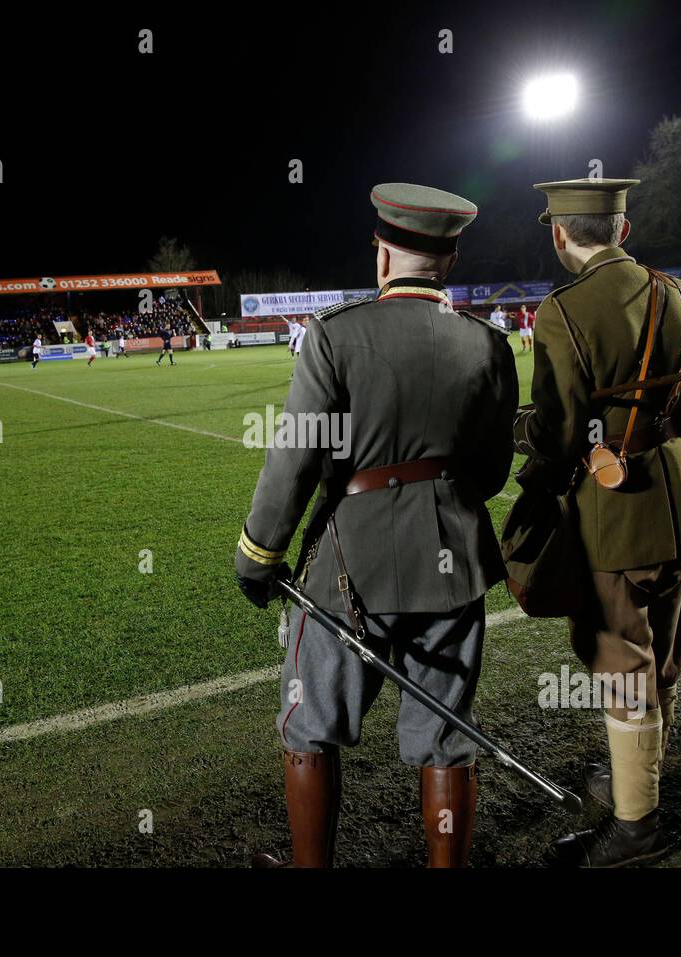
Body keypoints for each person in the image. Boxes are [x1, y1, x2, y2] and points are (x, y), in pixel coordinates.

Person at [237, 183, 516, 868]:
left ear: (383, 255)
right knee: (447, 735)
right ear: (447, 259)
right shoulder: (487, 345)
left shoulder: (337, 335)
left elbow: (295, 456)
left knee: (311, 727)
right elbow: (491, 472)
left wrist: (258, 554)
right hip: (453, 562)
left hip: (347, 567)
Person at [512, 177, 681, 867]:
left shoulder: (562, 311)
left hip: (614, 515)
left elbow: (557, 431)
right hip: (677, 499)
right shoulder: (679, 295)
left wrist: (512, 432)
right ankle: (636, 777)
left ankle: (636, 828)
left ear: (559, 234)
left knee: (620, 665)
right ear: (623, 231)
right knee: (660, 654)